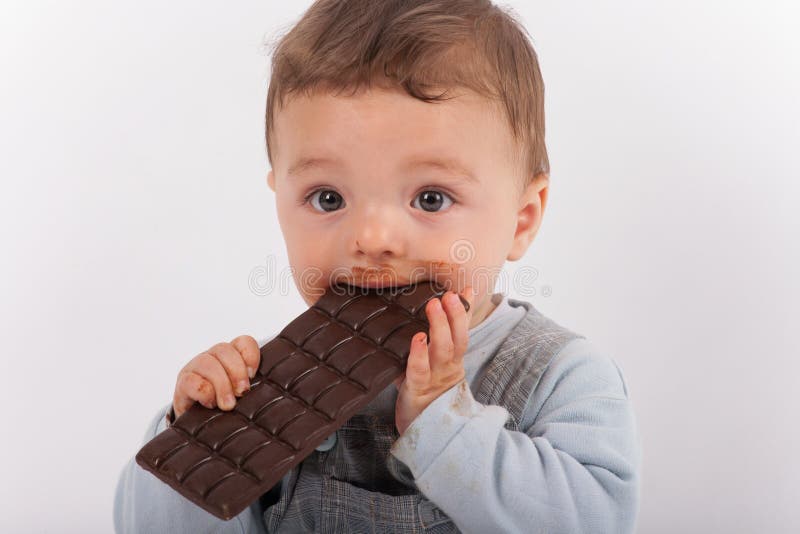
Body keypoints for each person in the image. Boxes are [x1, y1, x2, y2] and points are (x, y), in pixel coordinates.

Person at [114, 0, 641, 532]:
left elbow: (597, 521)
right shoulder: (266, 383)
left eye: (431, 198)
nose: (373, 239)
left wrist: (444, 421)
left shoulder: (561, 376)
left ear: (521, 219)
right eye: (327, 198)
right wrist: (195, 437)